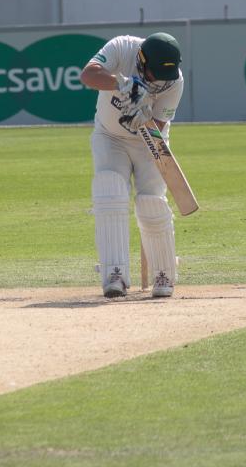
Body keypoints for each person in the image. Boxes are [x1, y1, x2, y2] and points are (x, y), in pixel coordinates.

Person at [79, 32, 185, 298]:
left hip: (148, 140)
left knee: (151, 201)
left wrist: (143, 118)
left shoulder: (175, 81)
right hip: (109, 136)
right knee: (109, 189)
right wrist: (120, 83)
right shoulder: (122, 47)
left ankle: (164, 273)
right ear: (140, 60)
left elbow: (158, 127)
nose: (158, 83)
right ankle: (114, 273)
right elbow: (88, 75)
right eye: (153, 75)